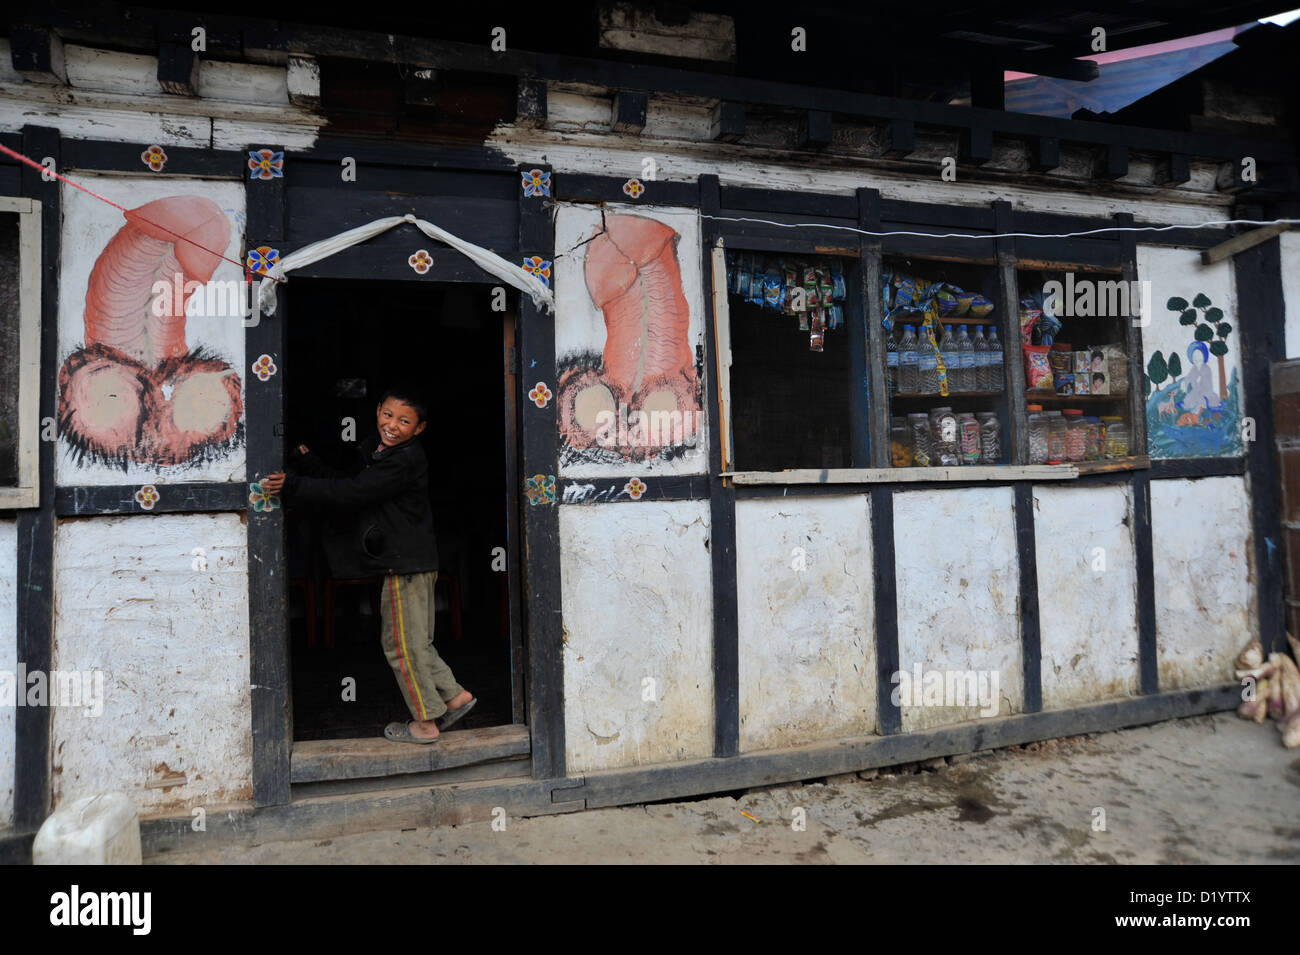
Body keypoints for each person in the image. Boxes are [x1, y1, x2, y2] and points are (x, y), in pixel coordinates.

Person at [260, 386, 475, 744]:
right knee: (416, 642)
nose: (392, 425)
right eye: (387, 415)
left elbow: (353, 494)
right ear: (377, 411)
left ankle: (424, 724)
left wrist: (294, 485)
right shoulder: (383, 451)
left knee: (400, 647)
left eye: (404, 421)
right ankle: (455, 697)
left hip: (404, 566)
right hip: (412, 563)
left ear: (419, 428)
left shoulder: (404, 460)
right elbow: (353, 483)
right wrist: (309, 464)